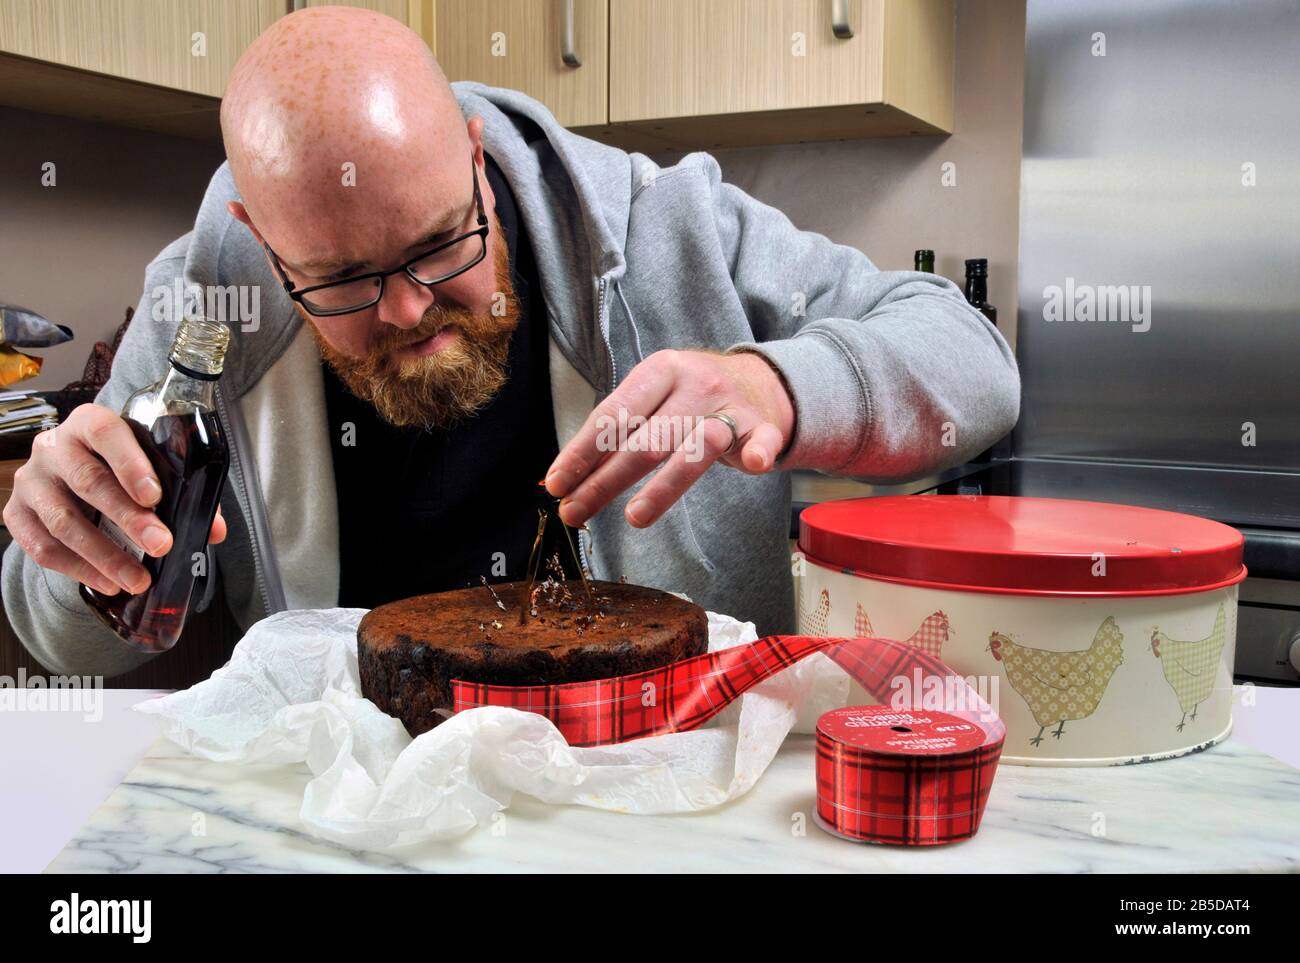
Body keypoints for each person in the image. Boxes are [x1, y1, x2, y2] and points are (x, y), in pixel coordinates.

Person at [1, 6, 1019, 677]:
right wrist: (90, 560)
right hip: (364, 801)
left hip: (663, 790)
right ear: (268, 251)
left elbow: (970, 355)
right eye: (344, 281)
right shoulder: (203, 305)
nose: (407, 312)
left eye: (442, 244)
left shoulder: (661, 223)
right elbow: (63, 645)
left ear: (477, 161)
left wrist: (776, 385)